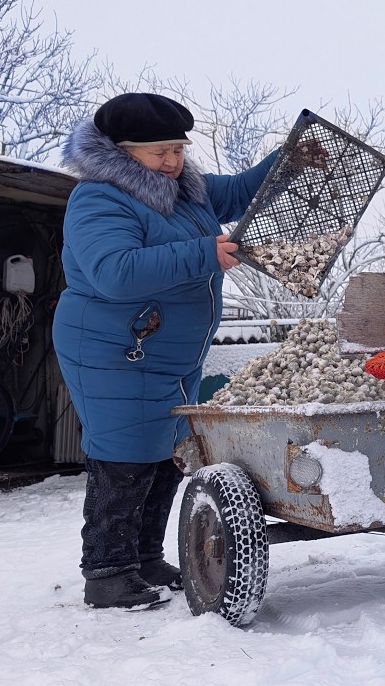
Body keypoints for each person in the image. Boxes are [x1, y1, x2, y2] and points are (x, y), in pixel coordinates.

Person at [55, 93, 279, 609]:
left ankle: (145, 558)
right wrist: (206, 253)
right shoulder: (99, 198)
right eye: (160, 152)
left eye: (178, 148)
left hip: (169, 353)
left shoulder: (186, 191)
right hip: (115, 348)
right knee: (124, 458)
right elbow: (115, 271)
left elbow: (244, 190)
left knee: (164, 457)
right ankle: (107, 573)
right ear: (123, 151)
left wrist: (291, 158)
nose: (174, 161)